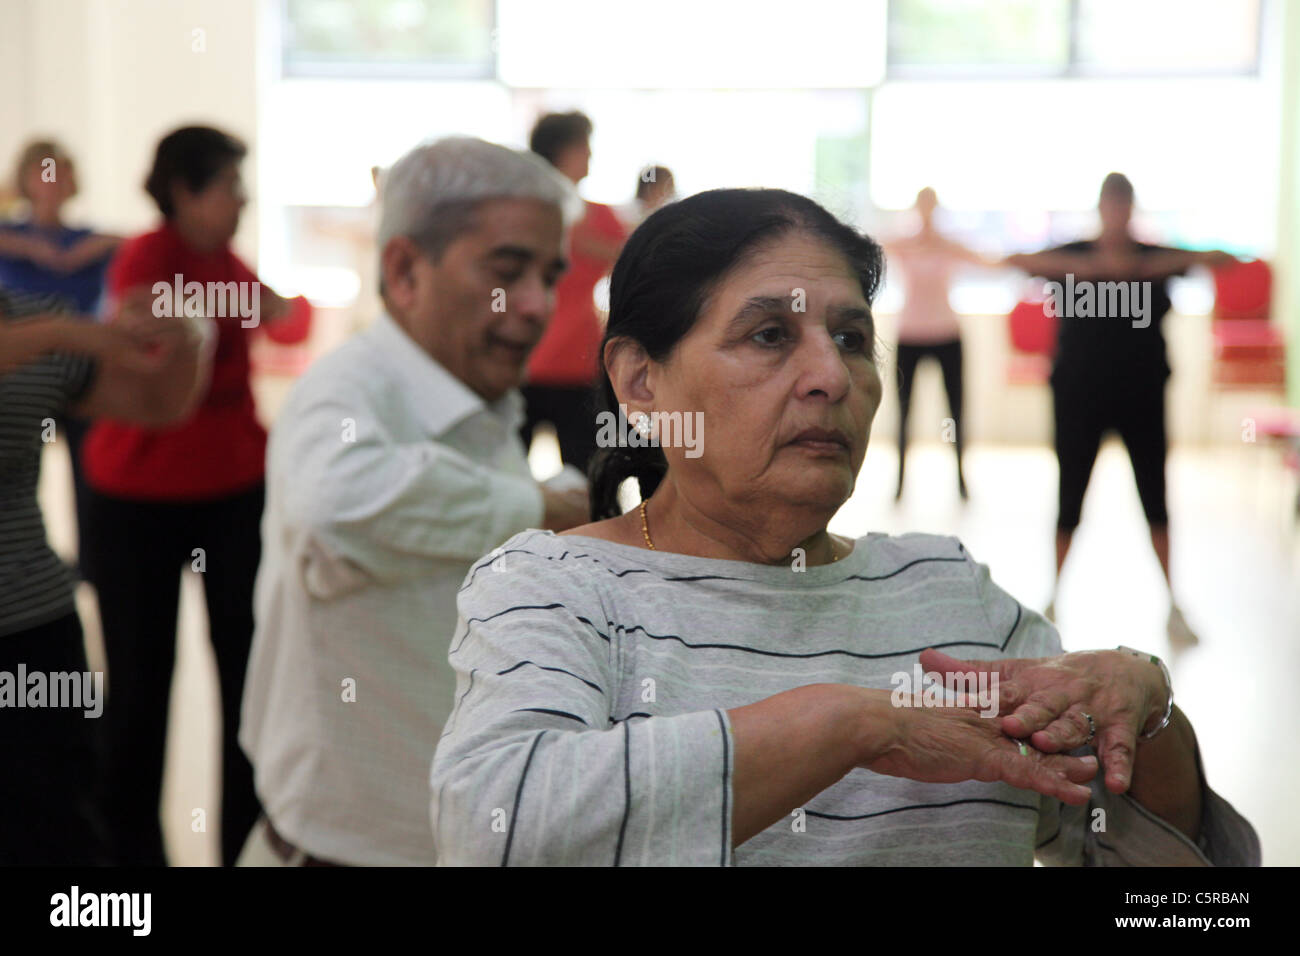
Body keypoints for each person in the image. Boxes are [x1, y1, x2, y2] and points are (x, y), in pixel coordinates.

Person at [430, 188, 1258, 866]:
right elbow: (494, 827)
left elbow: (1183, 901)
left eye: (853, 339)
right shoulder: (555, 590)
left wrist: (1146, 714)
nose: (832, 376)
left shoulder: (949, 597)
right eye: (768, 336)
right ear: (641, 384)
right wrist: (849, 724)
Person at [237, 137, 590, 867]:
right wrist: (541, 507)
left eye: (549, 275)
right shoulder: (347, 393)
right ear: (403, 270)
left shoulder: (481, 395)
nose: (535, 305)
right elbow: (335, 504)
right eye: (506, 271)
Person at [80, 125, 296, 866]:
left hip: (231, 491)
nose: (242, 199)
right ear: (184, 192)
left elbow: (278, 311)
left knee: (245, 680)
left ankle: (243, 849)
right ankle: (131, 869)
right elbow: (145, 325)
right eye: (230, 186)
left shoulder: (221, 261)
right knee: (140, 689)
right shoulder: (150, 255)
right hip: (138, 496)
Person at [0, 285, 212, 865]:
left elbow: (158, 404)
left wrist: (186, 339)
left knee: (61, 824)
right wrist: (67, 332)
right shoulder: (51, 329)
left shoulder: (32, 317)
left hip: (34, 621)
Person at [1003, 173, 1236, 644]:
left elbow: (1227, 259)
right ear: (1100, 209)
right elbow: (1012, 259)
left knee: (1156, 498)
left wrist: (1144, 268)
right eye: (1109, 206)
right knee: (1070, 496)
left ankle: (1174, 605)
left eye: (1123, 206)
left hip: (1142, 395)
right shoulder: (1072, 254)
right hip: (1078, 395)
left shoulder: (1156, 257)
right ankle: (1051, 601)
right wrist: (1094, 270)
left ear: (1131, 209)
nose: (1116, 214)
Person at [0, 140, 124, 572]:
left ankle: (89, 565)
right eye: (44, 171)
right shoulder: (11, 237)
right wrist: (31, 247)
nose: (53, 181)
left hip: (79, 371)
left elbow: (138, 244)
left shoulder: (88, 241)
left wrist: (85, 250)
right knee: (17, 470)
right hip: (19, 372)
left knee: (89, 472)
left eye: (61, 171)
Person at [520, 111, 629, 474]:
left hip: (577, 365)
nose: (590, 156)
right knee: (506, 477)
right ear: (561, 152)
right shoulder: (518, 214)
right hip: (521, 362)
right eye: (583, 147)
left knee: (589, 479)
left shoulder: (599, 217)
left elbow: (637, 264)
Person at [883, 187, 991, 502]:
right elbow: (875, 247)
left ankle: (960, 479)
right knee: (904, 411)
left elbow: (985, 261)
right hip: (910, 336)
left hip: (947, 335)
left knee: (955, 410)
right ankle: (900, 482)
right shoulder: (905, 244)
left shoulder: (949, 245)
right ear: (917, 208)